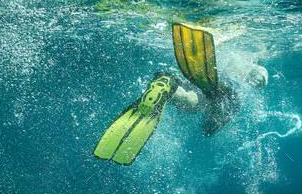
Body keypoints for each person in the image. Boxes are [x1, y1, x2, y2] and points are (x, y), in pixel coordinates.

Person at [93, 22, 268, 165]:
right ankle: (215, 96)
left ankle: (169, 87)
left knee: (191, 101)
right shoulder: (254, 63)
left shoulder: (240, 56)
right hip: (228, 87)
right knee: (209, 129)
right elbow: (262, 77)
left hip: (202, 75)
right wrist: (260, 79)